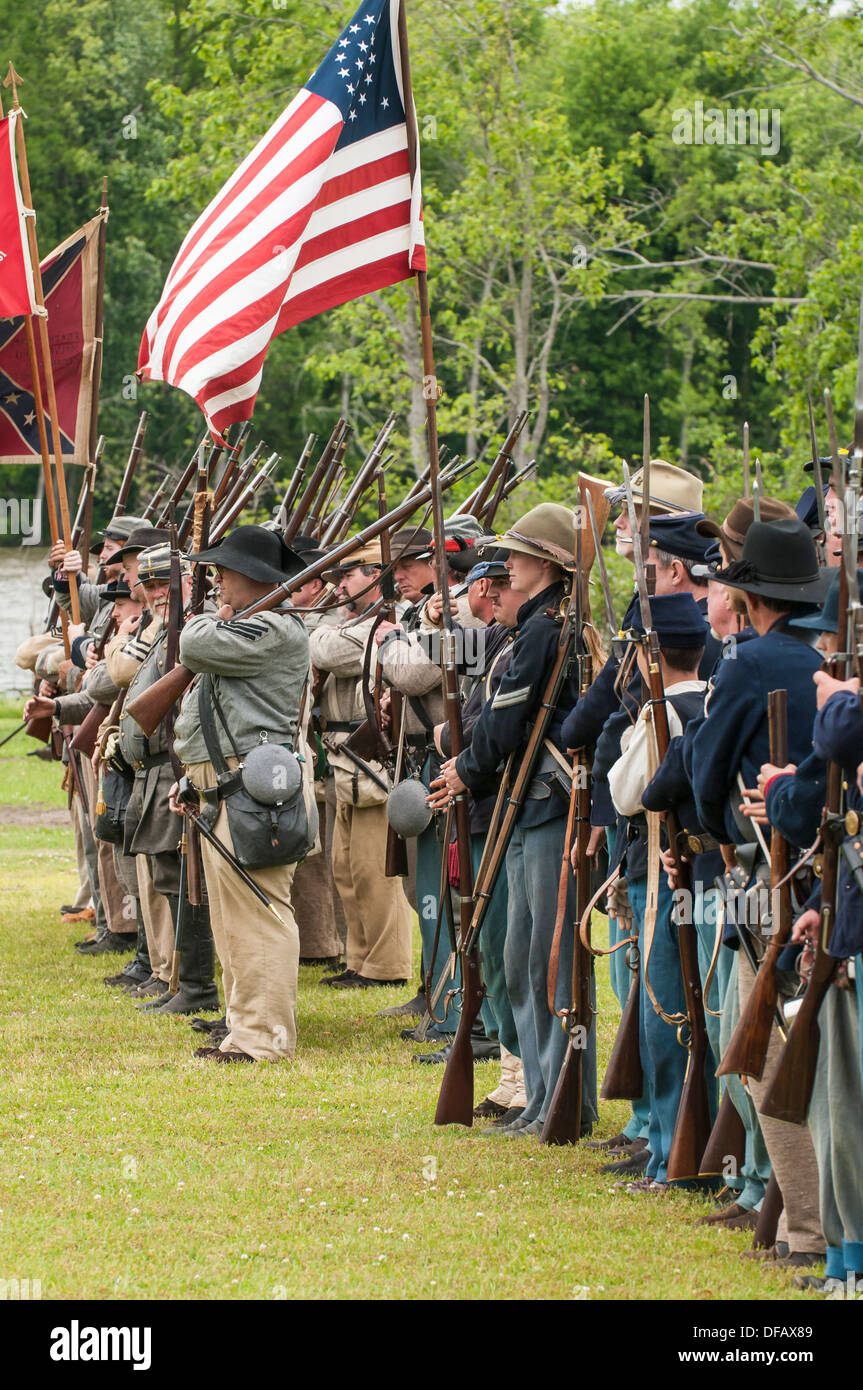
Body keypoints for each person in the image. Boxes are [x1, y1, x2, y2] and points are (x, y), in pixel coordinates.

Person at [438, 504, 598, 1139]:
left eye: (523, 555)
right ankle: (538, 1095)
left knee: (548, 962)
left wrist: (465, 770)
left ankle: (562, 1098)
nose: (510, 564)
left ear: (550, 566)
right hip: (529, 800)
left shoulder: (544, 630)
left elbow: (504, 726)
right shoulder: (537, 626)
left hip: (546, 803)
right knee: (524, 954)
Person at [171, 525, 314, 1063]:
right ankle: (244, 1028)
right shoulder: (251, 627)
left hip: (251, 791)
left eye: (225, 570)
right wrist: (192, 778)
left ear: (255, 577)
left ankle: (266, 1038)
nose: (216, 579)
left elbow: (191, 641)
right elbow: (213, 713)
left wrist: (209, 616)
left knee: (260, 914)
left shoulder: (275, 629)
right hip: (227, 786)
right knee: (233, 920)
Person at [309, 543, 412, 990]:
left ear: (374, 575)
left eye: (349, 575)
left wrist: (322, 643)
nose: (340, 585)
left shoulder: (389, 623)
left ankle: (387, 965)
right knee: (346, 868)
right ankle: (360, 959)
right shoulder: (354, 626)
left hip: (372, 755)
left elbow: (328, 652)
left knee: (374, 869)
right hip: (342, 754)